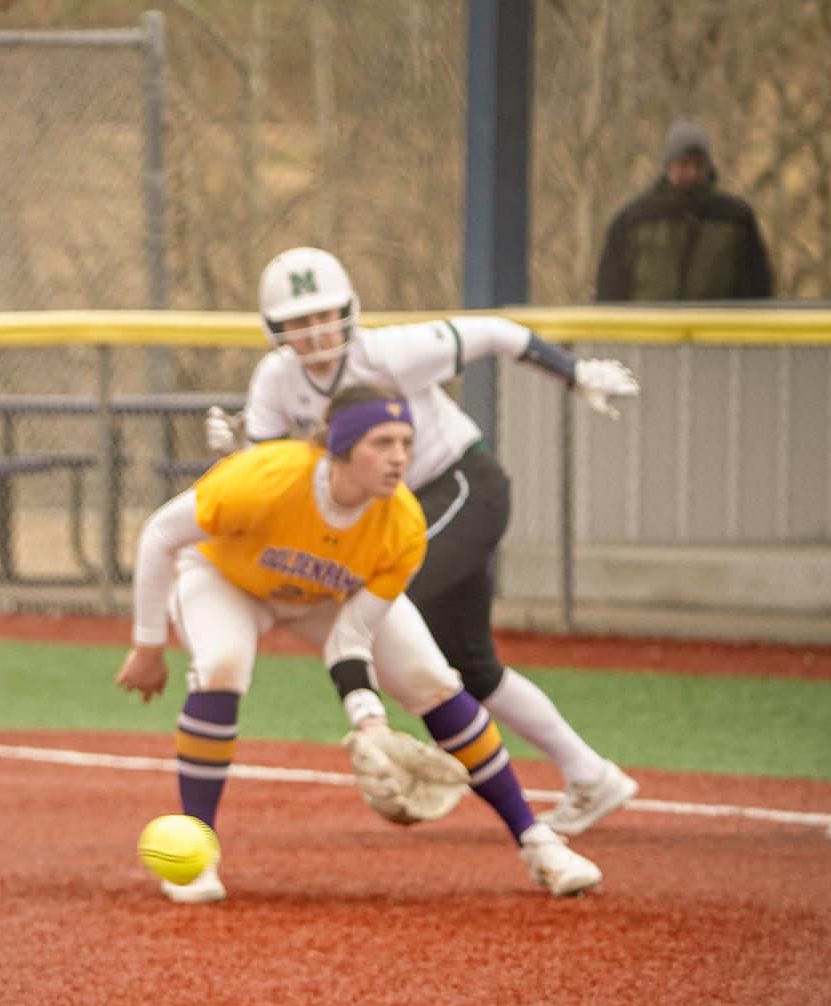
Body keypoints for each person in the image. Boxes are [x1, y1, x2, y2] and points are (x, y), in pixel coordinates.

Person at [206, 247, 641, 837]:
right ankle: (591, 774)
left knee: (380, 611)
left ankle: (396, 725)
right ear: (274, 327)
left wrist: (574, 373)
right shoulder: (276, 378)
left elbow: (495, 332)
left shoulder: (387, 353)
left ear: (348, 311)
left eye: (325, 315)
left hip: (459, 485)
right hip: (396, 512)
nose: (315, 332)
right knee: (473, 667)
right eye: (298, 321)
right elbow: (275, 476)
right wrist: (240, 451)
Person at [124, 383, 603, 903]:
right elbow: (159, 535)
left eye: (406, 442)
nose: (399, 457)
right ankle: (198, 854)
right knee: (222, 664)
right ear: (343, 445)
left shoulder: (403, 525)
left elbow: (350, 637)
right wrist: (148, 646)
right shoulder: (267, 478)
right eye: (382, 442)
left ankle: (538, 843)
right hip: (226, 577)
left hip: (329, 597)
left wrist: (369, 720)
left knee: (432, 681)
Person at [595, 116, 774, 302]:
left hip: (715, 321)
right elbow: (610, 289)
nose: (692, 173)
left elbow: (758, 291)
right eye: (684, 163)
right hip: (650, 321)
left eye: (699, 165)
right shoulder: (634, 219)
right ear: (668, 165)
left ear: (709, 167)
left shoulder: (736, 218)